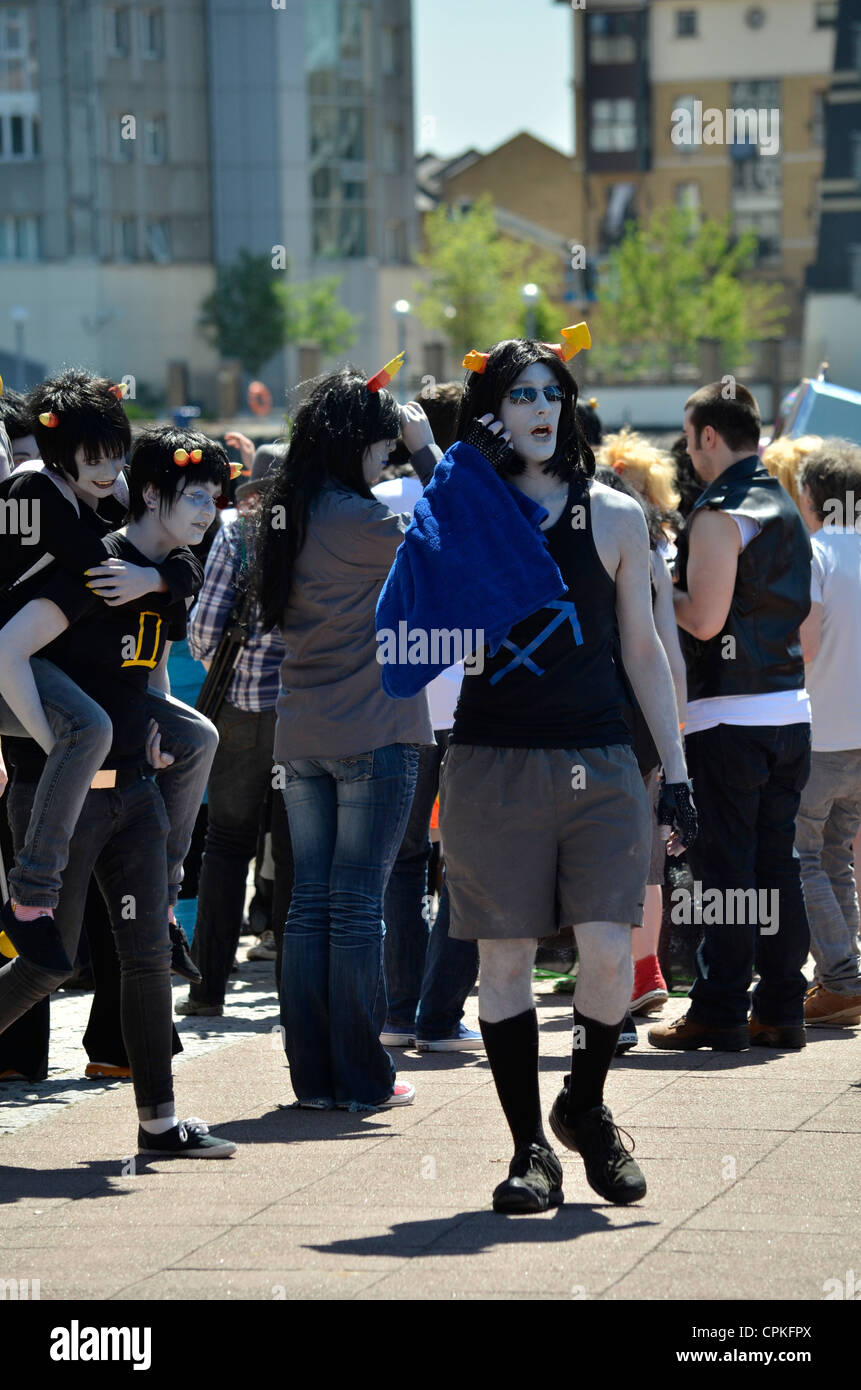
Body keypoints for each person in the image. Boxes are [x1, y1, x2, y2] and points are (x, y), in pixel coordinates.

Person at [381, 334, 696, 1212]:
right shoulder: (462, 512)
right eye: (519, 396)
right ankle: (529, 1151)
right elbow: (408, 625)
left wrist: (676, 771)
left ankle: (583, 1108)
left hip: (599, 758)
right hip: (488, 760)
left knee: (607, 951)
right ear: (493, 413)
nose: (539, 409)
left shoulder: (618, 515)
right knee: (505, 957)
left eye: (549, 392)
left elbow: (643, 651)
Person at [0, 427, 237, 1157]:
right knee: (45, 963)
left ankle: (160, 1123)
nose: (207, 510)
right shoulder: (91, 566)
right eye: (194, 496)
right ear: (153, 493)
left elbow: (149, 668)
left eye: (213, 498)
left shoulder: (172, 576)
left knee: (146, 957)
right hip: (60, 795)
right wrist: (51, 744)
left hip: (132, 791)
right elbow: (11, 649)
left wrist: (152, 724)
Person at [254, 365, 438, 1111]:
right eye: (381, 448)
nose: (386, 462)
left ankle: (316, 1079)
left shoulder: (288, 512)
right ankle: (363, 1078)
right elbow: (454, 531)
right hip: (375, 731)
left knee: (310, 906)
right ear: (353, 445)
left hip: (302, 733)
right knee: (359, 905)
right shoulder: (362, 522)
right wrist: (427, 451)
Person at [0, 371, 212, 981]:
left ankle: (167, 902)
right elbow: (113, 562)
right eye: (93, 457)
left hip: (37, 661)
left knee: (198, 737)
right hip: (16, 662)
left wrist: (162, 579)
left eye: (116, 455)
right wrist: (61, 744)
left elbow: (161, 555)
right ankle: (29, 896)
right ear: (56, 450)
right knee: (89, 728)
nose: (109, 469)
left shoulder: (96, 489)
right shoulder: (31, 491)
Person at [649, 382, 813, 1053]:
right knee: (777, 863)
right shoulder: (782, 503)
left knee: (727, 871)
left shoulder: (720, 511)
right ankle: (779, 1010)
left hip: (728, 716)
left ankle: (718, 1009)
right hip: (786, 709)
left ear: (708, 436)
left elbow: (704, 617)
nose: (687, 452)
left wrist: (659, 581)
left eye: (689, 439)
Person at [178, 444, 291, 1016]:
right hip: (304, 715)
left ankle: (208, 990)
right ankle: (297, 994)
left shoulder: (236, 532)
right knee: (297, 852)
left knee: (226, 846)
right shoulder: (319, 530)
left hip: (241, 712)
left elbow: (202, 631)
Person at [595, 466, 687, 1020]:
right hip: (646, 715)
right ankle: (644, 968)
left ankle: (618, 977)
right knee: (647, 852)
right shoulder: (649, 547)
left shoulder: (581, 542)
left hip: (597, 716)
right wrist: (674, 733)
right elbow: (666, 645)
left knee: (600, 853)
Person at [794, 439, 861, 1024]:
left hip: (821, 734)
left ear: (812, 495)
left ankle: (840, 977)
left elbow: (806, 642)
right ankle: (845, 976)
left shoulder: (815, 553)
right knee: (834, 856)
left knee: (803, 857)